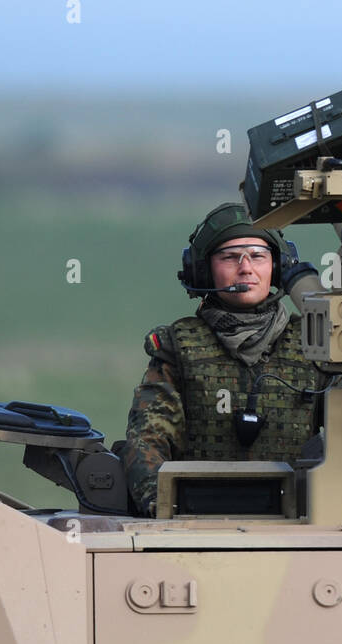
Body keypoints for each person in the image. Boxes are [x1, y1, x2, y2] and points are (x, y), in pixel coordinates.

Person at [120, 202, 324, 517]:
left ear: (278, 267)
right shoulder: (179, 346)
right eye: (230, 257)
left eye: (258, 256)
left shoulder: (316, 344)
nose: (246, 268)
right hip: (197, 523)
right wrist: (159, 507)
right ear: (204, 269)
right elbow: (147, 438)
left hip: (298, 527)